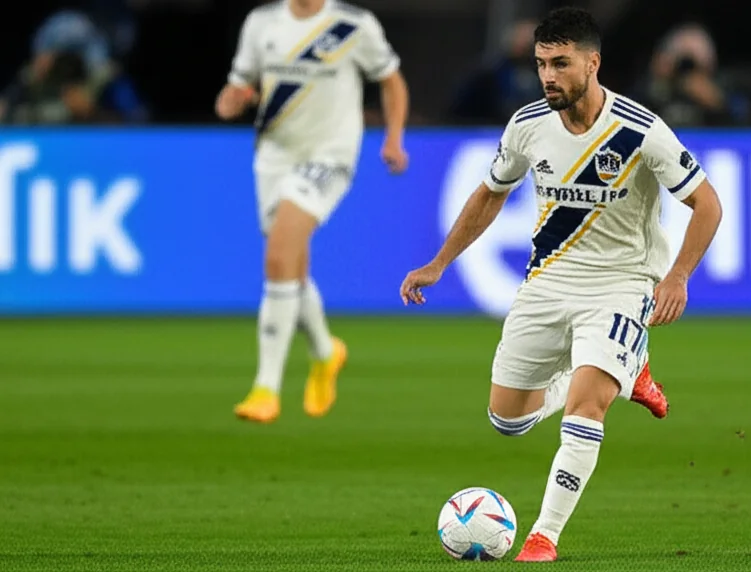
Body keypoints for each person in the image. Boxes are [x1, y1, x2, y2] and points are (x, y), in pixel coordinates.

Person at [399, 7, 722, 562]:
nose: (548, 75)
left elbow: (707, 204)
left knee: (584, 408)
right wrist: (439, 262)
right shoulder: (527, 125)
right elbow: (490, 194)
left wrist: (679, 276)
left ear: (592, 63)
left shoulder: (640, 130)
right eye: (542, 63)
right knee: (507, 420)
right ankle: (627, 369)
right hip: (547, 283)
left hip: (622, 284)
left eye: (561, 63)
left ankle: (543, 536)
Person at [215, 0, 410, 423]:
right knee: (290, 266)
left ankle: (266, 388)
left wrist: (393, 138)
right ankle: (326, 351)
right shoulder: (261, 22)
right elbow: (238, 88)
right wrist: (233, 101)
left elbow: (391, 80)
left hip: (330, 157)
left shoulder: (352, 25)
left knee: (278, 256)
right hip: (273, 157)